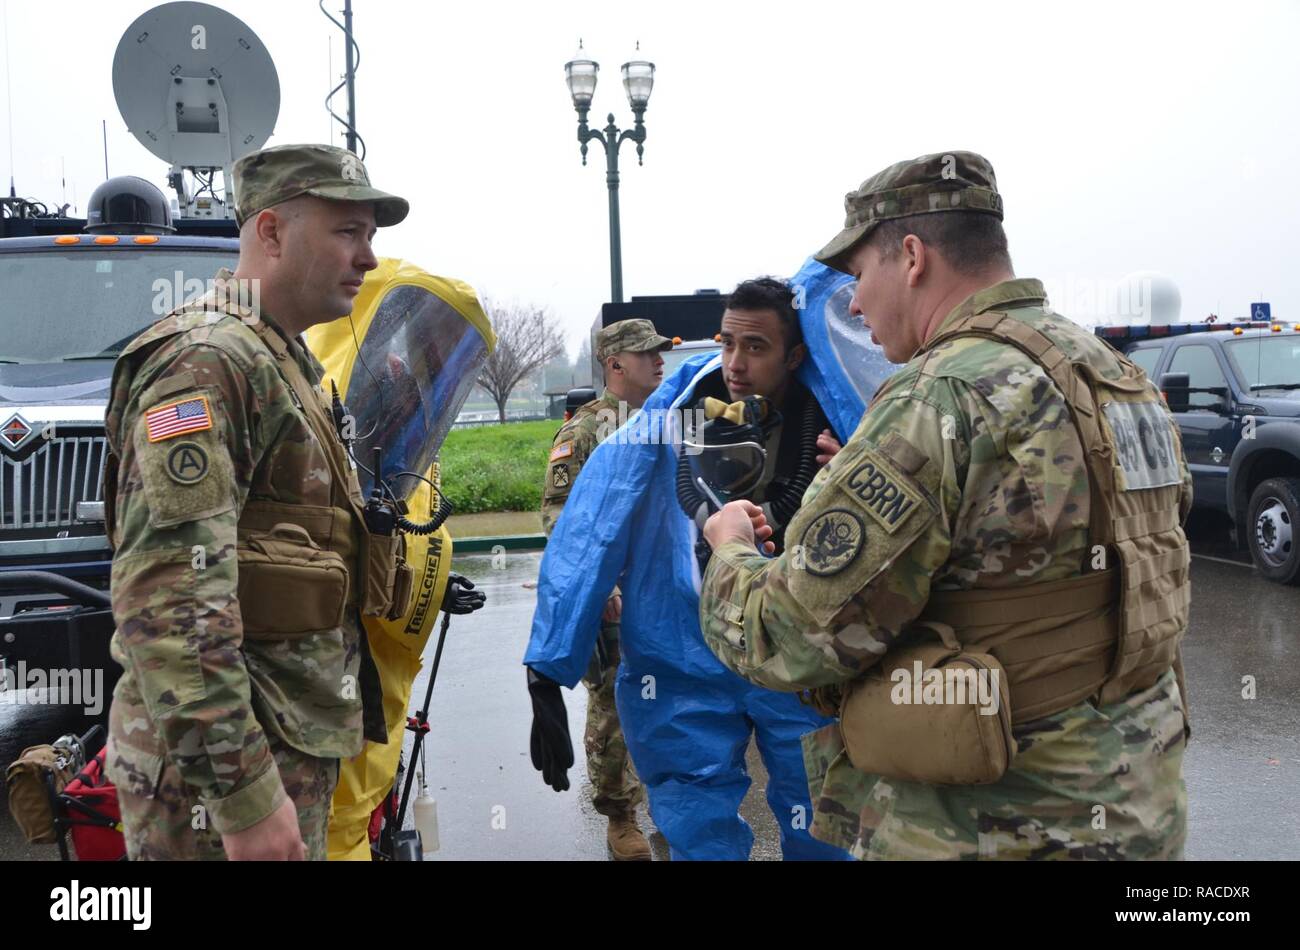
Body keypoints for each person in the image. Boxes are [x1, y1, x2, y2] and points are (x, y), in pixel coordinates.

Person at [698, 150, 1192, 860]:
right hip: (1139, 808)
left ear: (911, 256)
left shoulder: (937, 396)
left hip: (995, 824)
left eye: (858, 278)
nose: (857, 304)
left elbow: (793, 637)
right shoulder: (1116, 375)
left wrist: (729, 550)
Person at [102, 144, 410, 860]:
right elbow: (168, 601)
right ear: (270, 233)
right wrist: (245, 803)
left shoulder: (279, 355)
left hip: (276, 746)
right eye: (347, 232)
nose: (367, 257)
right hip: (217, 785)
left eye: (370, 235)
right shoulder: (206, 361)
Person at [527, 304, 850, 861]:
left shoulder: (839, 422)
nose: (736, 364)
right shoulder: (653, 432)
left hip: (799, 648)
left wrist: (847, 473)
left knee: (823, 812)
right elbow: (586, 537)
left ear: (795, 355)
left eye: (756, 348)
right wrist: (548, 667)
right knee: (695, 817)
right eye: (727, 344)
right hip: (681, 651)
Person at [537, 318, 671, 860]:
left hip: (664, 590)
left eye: (661, 352)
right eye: (647, 354)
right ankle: (621, 818)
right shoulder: (586, 431)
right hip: (614, 594)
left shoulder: (670, 418)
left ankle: (669, 795)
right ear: (615, 365)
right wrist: (597, 586)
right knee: (616, 699)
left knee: (669, 696)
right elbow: (559, 517)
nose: (659, 361)